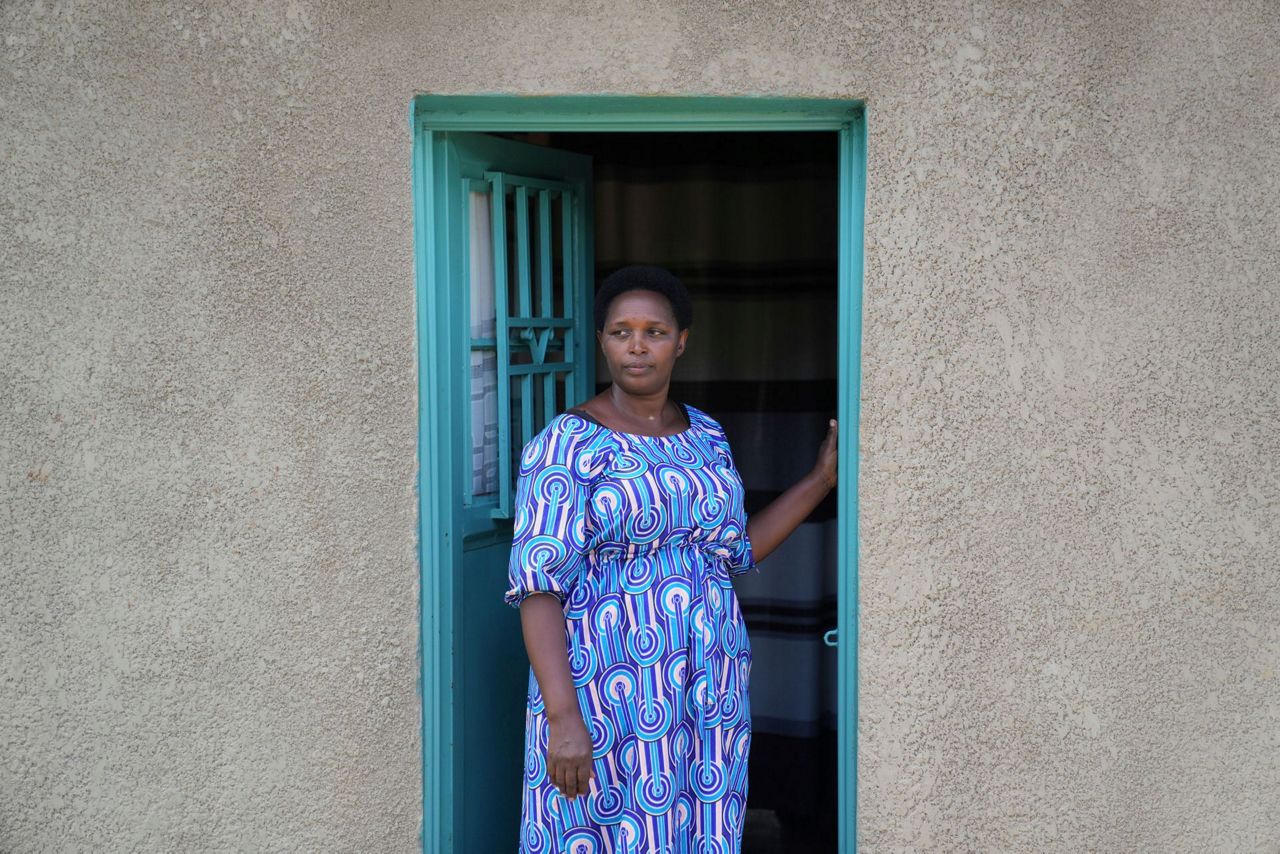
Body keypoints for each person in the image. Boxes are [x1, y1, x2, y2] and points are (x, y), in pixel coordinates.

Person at [504, 264, 838, 852]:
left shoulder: (706, 434)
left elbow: (734, 549)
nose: (637, 346)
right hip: (607, 691)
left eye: (654, 332)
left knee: (699, 831)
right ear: (602, 340)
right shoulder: (566, 444)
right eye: (620, 331)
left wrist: (818, 480)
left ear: (681, 341)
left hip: (710, 686)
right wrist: (562, 718)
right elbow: (538, 589)